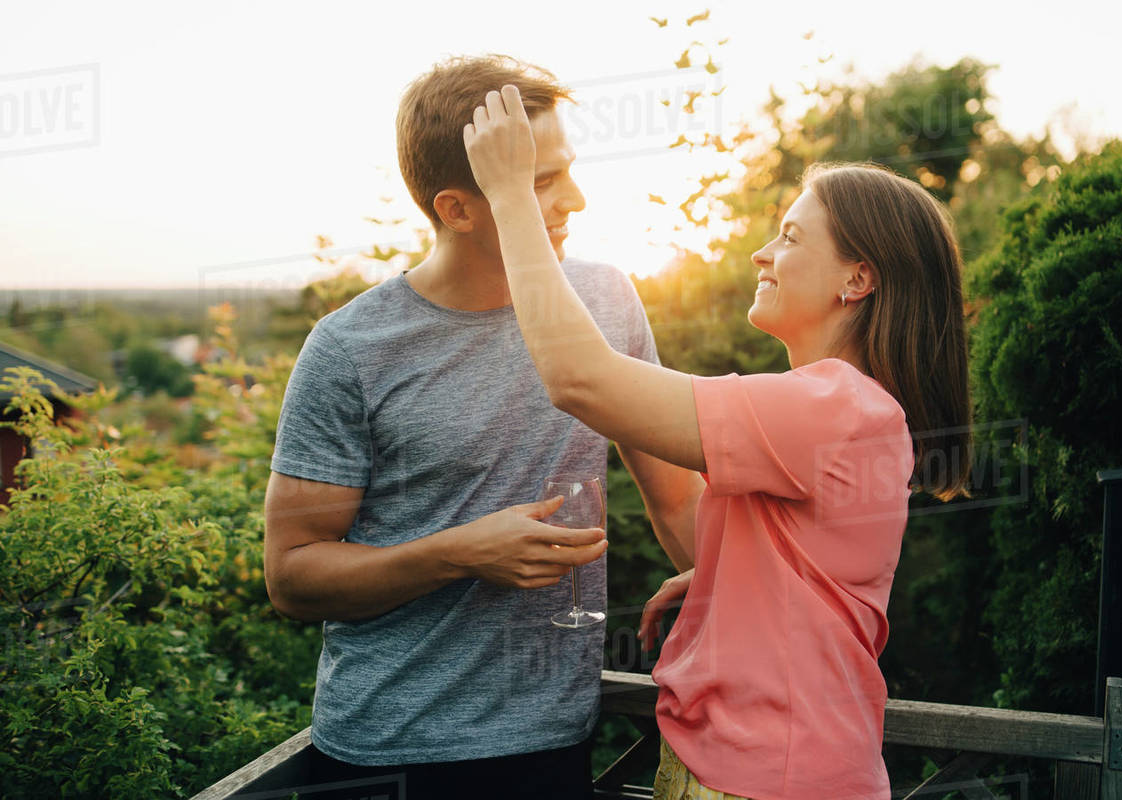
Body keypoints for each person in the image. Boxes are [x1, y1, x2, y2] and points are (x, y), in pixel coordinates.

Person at [463, 85, 972, 799]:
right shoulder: (840, 408)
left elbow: (581, 380)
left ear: (858, 279)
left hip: (774, 781)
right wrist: (730, 580)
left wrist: (510, 194)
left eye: (791, 237)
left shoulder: (833, 407)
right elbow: (811, 567)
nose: (764, 253)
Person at [263, 57, 703, 800]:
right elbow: (293, 574)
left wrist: (742, 596)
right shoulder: (350, 349)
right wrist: (458, 553)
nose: (576, 200)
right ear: (457, 208)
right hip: (387, 753)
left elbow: (675, 498)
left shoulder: (607, 298)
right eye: (539, 183)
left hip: (555, 741)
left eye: (567, 170)